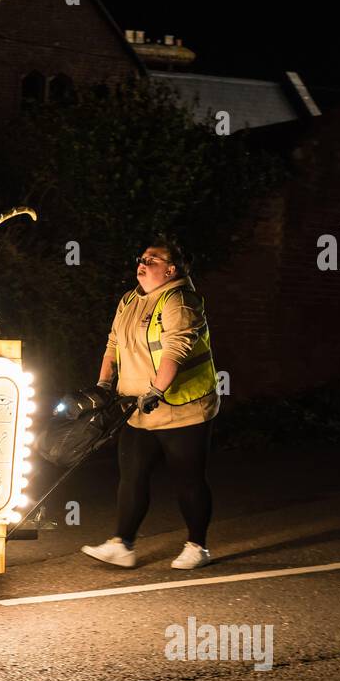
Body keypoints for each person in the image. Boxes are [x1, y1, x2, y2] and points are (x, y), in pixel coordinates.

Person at [81, 237, 219, 570]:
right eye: (141, 257)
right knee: (132, 476)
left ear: (171, 270)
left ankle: (197, 546)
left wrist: (156, 391)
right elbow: (113, 344)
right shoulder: (130, 299)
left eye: (152, 259)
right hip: (138, 409)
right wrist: (103, 385)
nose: (142, 263)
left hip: (183, 409)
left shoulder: (180, 300)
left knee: (188, 479)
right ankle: (122, 544)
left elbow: (176, 350)